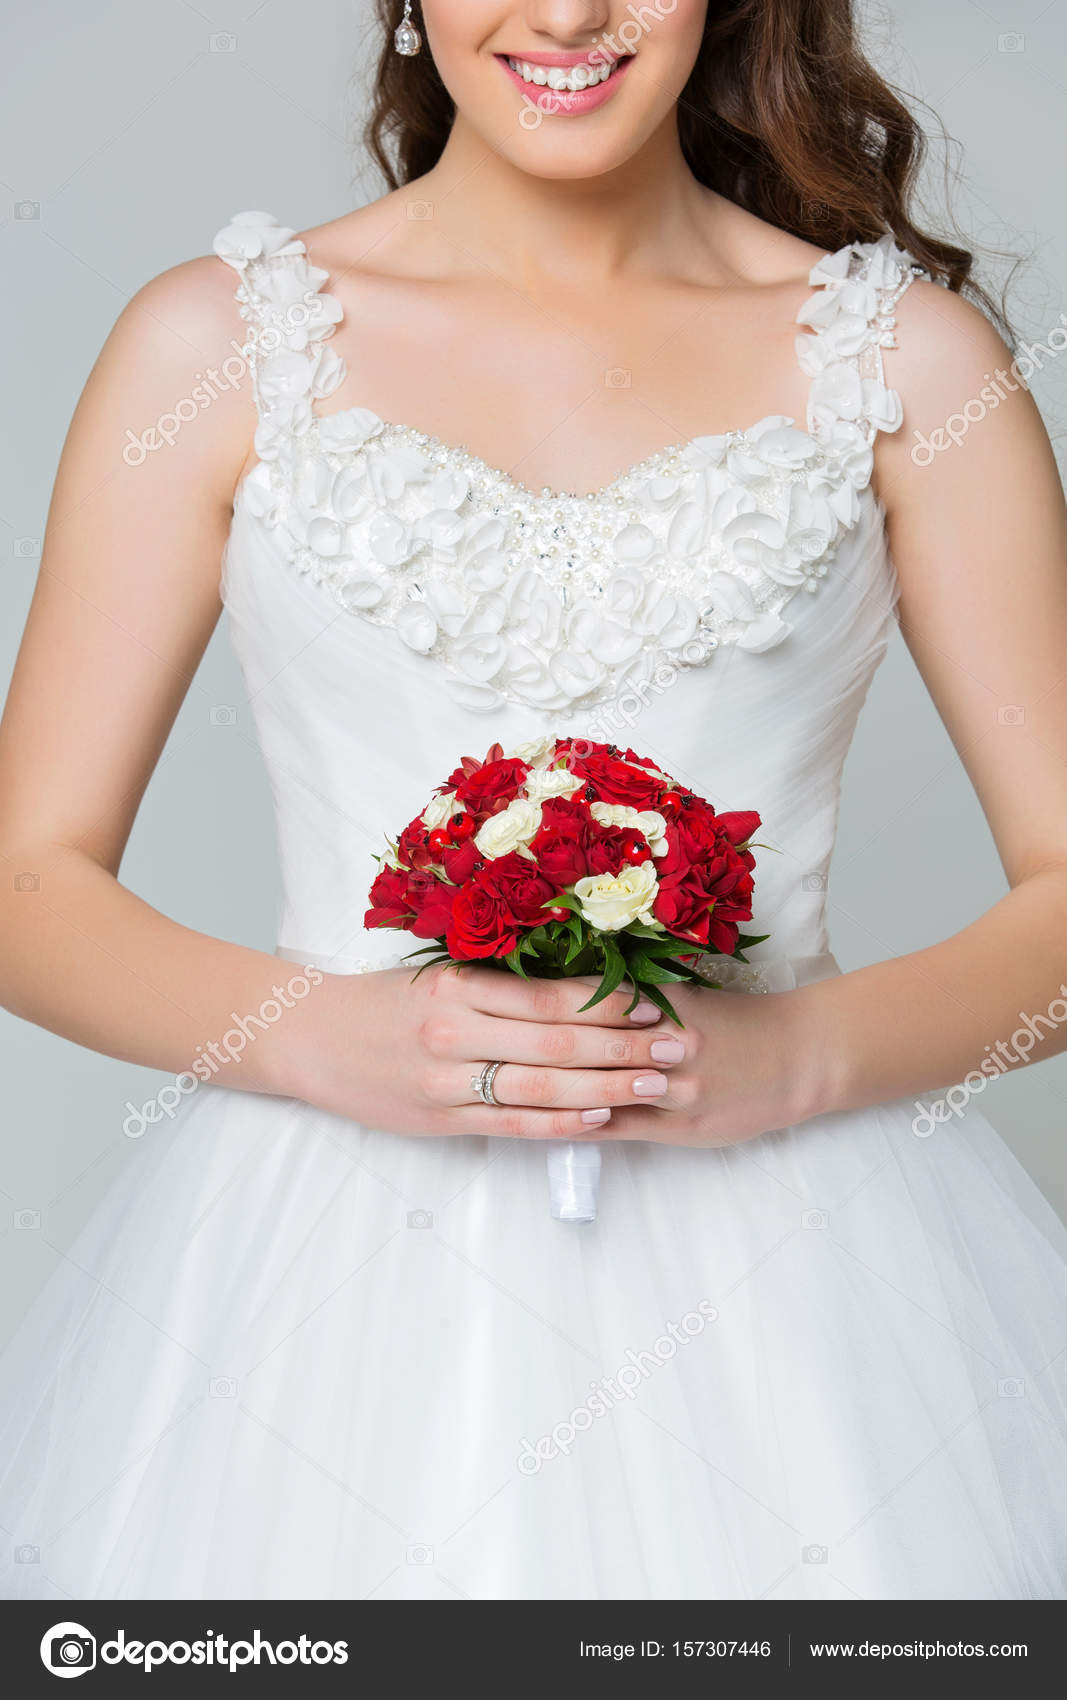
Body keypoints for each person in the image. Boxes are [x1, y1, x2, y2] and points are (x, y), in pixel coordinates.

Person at [1, 0, 1065, 1600]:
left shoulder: (905, 356)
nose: (567, 13)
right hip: (325, 1270)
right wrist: (320, 1029)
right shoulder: (218, 344)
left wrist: (791, 1056)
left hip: (805, 1265)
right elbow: (29, 880)